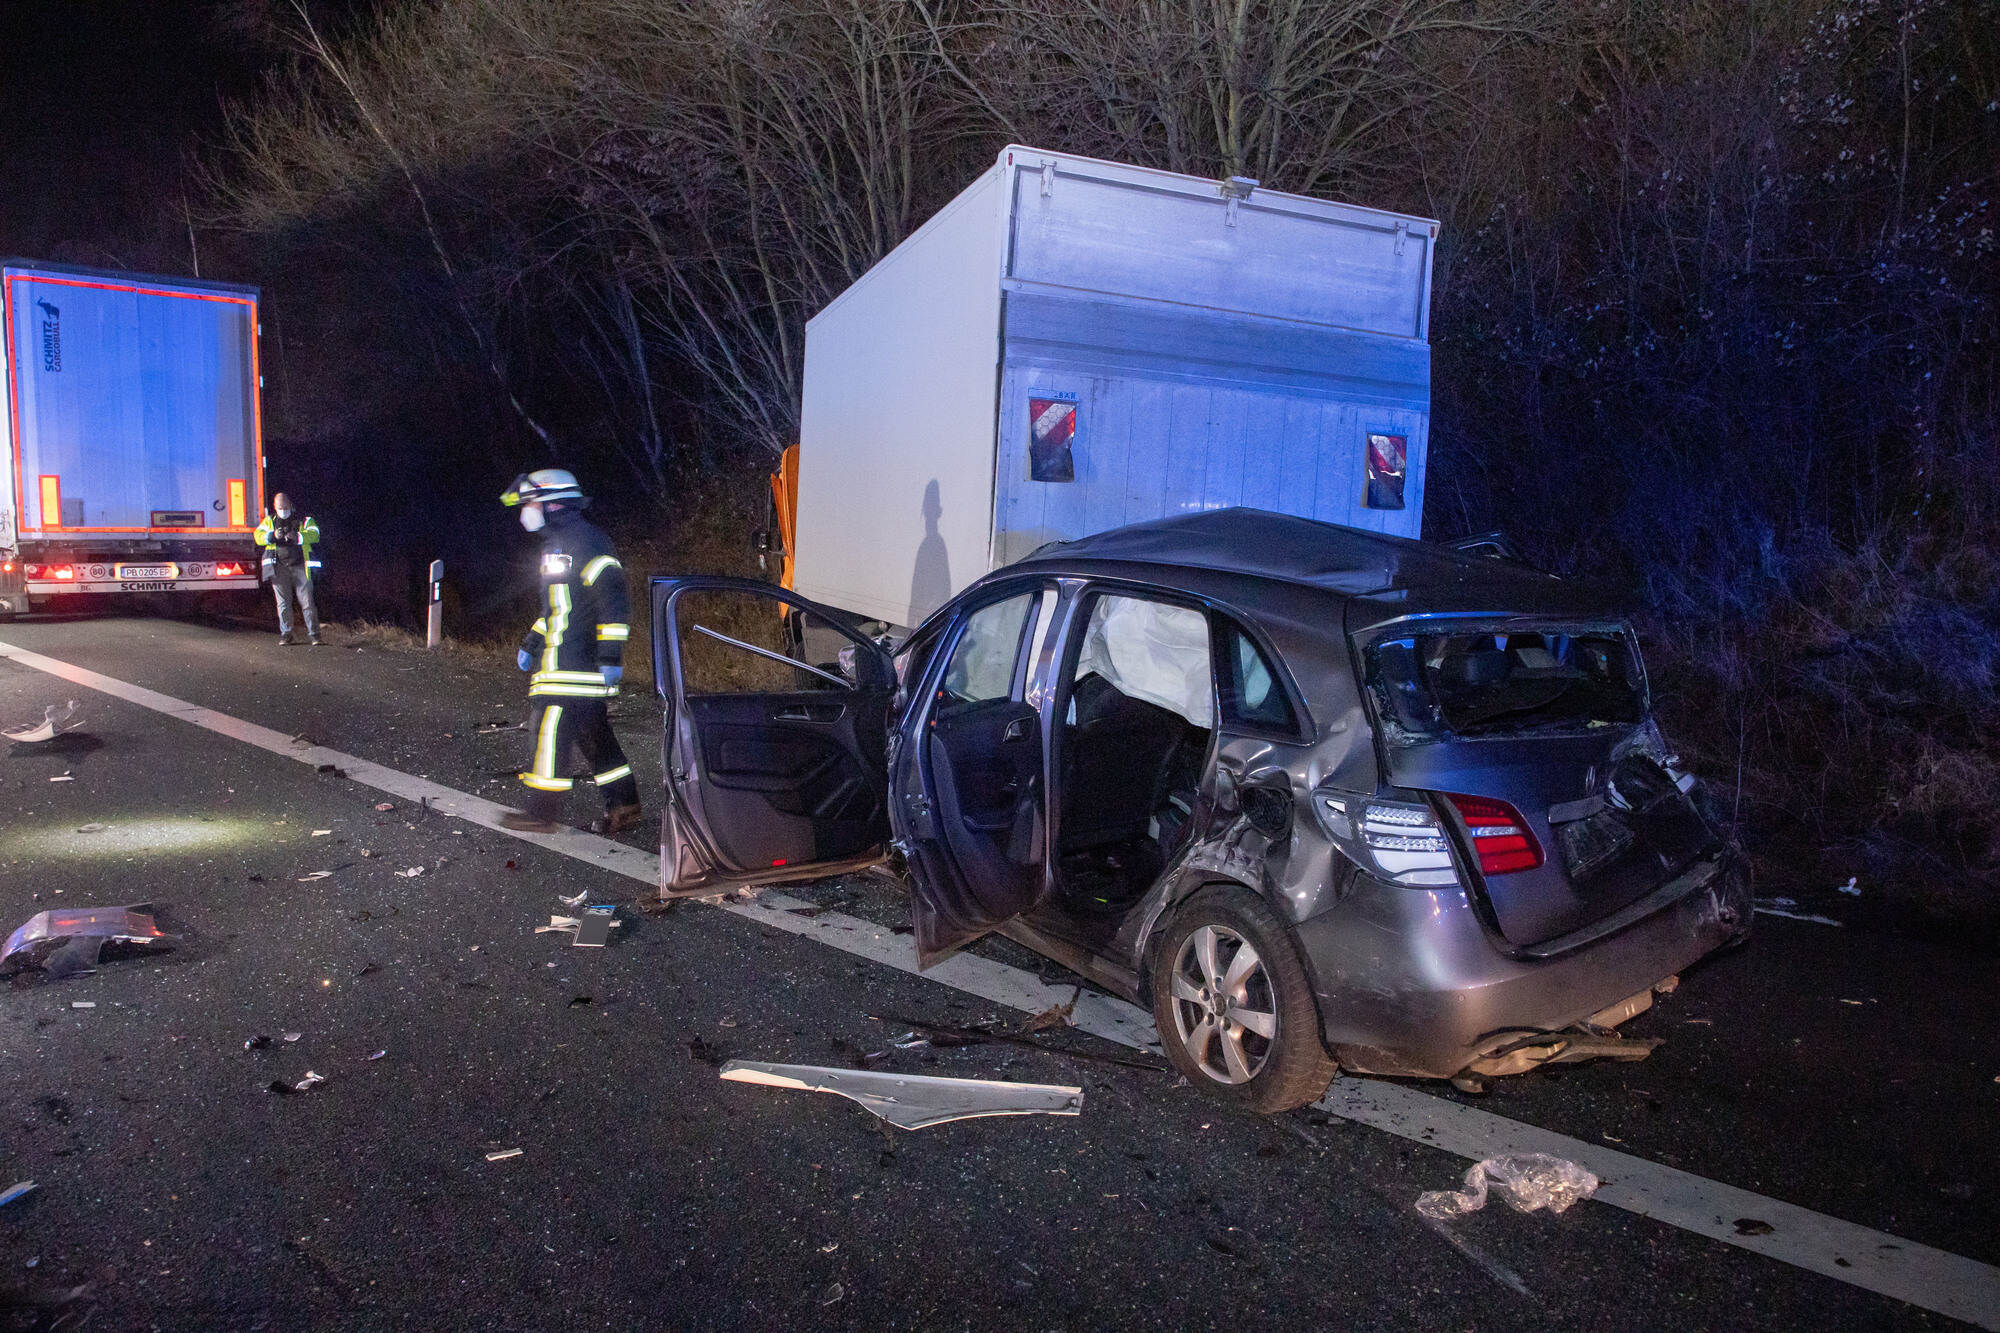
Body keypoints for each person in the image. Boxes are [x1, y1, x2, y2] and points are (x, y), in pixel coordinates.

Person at [497, 469, 642, 835]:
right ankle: (624, 805)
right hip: (566, 664)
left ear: (552, 502)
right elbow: (558, 609)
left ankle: (540, 814)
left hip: (574, 668)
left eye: (529, 504)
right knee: (595, 738)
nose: (525, 513)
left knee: (547, 732)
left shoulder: (586, 543)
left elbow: (613, 601)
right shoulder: (560, 545)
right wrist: (532, 643)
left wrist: (610, 656)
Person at [255, 492, 321, 646]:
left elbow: (315, 534)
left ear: (290, 505)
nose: (283, 510)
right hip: (278, 567)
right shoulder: (269, 520)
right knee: (283, 603)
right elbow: (258, 535)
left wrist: (298, 536)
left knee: (307, 602)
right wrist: (271, 536)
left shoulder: (305, 519)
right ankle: (286, 635)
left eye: (285, 507)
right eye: (280, 507)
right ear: (275, 507)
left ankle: (315, 635)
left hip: (301, 567)